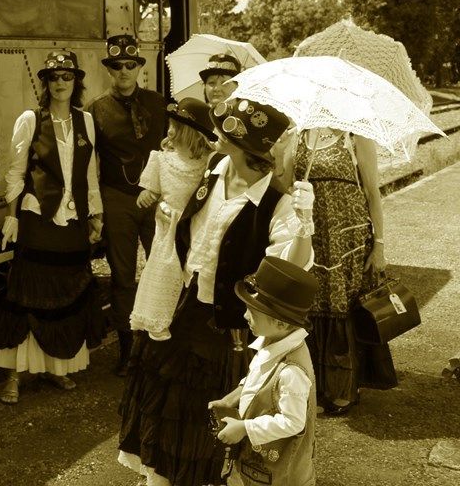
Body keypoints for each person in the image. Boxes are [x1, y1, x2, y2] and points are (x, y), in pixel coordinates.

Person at [117, 98, 316, 486]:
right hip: (183, 302)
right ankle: (159, 477)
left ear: (242, 145)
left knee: (197, 409)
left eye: (225, 132)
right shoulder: (214, 168)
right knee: (161, 392)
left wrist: (305, 220)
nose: (216, 135)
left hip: (222, 321)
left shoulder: (277, 203)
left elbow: (293, 268)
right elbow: (192, 224)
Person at [0, 49, 105, 404]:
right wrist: (11, 215)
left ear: (76, 82)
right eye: (54, 77)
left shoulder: (85, 121)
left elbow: (90, 174)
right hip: (38, 217)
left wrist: (95, 215)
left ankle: (57, 368)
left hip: (73, 221)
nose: (60, 83)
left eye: (67, 77)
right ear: (45, 83)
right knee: (25, 295)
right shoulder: (30, 119)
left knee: (68, 294)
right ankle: (12, 376)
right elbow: (15, 171)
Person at [284, 127, 396, 415]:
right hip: (312, 235)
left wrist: (379, 245)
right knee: (312, 307)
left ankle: (343, 389)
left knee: (342, 308)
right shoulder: (298, 135)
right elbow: (283, 184)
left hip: (347, 239)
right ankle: (316, 389)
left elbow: (372, 193)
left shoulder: (356, 136)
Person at [89, 33, 167, 375]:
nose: (124, 71)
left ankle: (161, 345)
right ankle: (127, 351)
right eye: (117, 66)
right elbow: (91, 161)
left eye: (130, 65)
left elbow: (173, 147)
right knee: (122, 277)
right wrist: (97, 209)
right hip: (117, 198)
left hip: (155, 197)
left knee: (163, 270)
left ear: (139, 67)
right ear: (110, 70)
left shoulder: (158, 103)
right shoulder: (96, 110)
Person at [209, 256, 319, 486]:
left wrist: (245, 427)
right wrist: (232, 398)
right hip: (257, 464)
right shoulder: (271, 342)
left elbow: (292, 421)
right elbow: (257, 379)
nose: (245, 316)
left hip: (279, 470)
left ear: (282, 323)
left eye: (253, 311)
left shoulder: (291, 371)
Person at [130, 98, 216, 340]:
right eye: (171, 124)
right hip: (168, 226)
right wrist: (147, 195)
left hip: (194, 223)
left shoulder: (207, 162)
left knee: (190, 272)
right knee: (165, 267)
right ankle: (158, 319)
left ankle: (184, 316)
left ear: (193, 134)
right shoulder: (160, 158)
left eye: (177, 127)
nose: (170, 130)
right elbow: (151, 190)